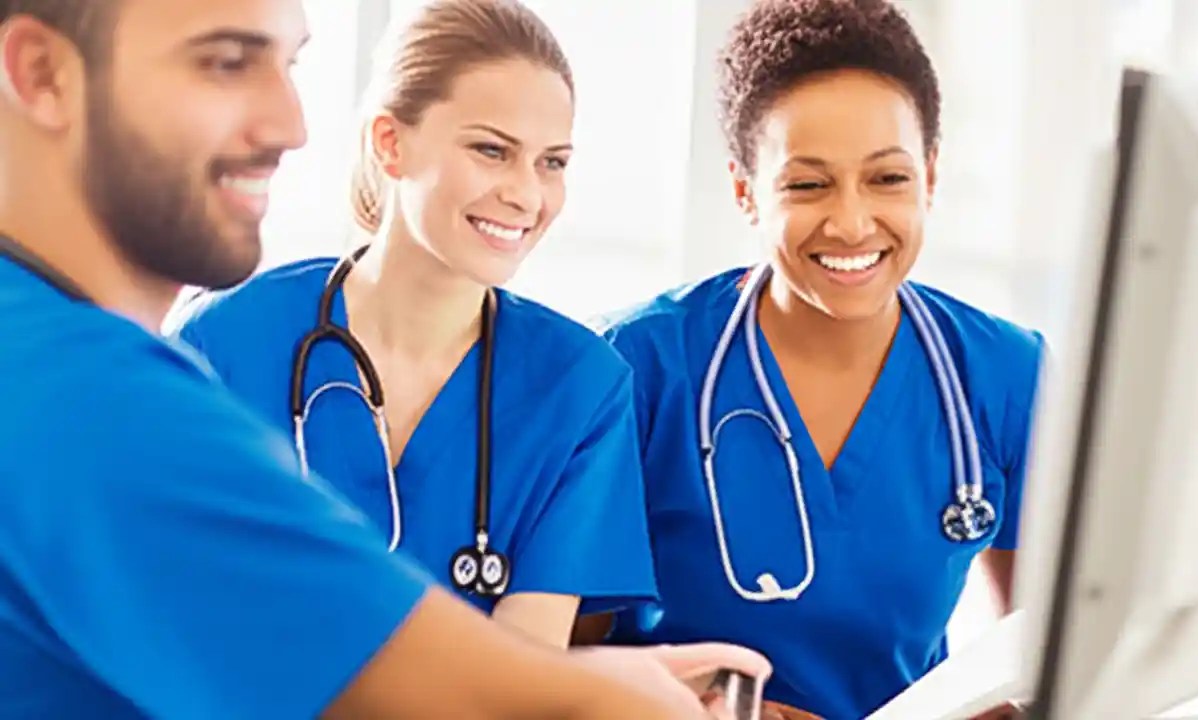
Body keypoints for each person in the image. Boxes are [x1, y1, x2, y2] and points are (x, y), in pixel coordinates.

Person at [0, 1, 769, 718]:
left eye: (291, 66)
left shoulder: (579, 383)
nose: (292, 125)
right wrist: (593, 697)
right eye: (226, 62)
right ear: (40, 73)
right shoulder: (86, 389)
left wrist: (581, 688)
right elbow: (401, 684)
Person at [593, 0, 1045, 718]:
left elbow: (1045, 658)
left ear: (930, 175)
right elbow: (549, 666)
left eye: (887, 179)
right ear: (746, 190)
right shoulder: (635, 368)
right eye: (808, 184)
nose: (852, 222)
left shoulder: (1004, 376)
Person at [166, 0, 654, 650]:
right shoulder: (224, 345)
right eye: (491, 150)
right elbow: (159, 612)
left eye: (552, 162)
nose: (527, 194)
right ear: (390, 143)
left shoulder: (580, 387)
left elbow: (518, 676)